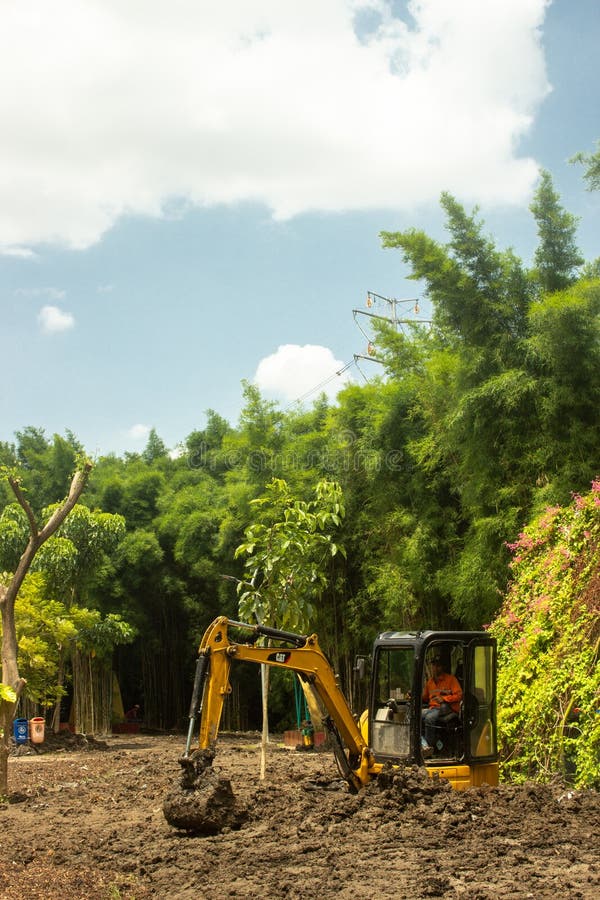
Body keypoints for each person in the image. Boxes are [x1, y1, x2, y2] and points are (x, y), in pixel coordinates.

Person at [421, 656, 462, 757]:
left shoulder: (451, 680)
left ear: (442, 667)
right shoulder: (430, 682)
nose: (435, 668)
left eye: (438, 666)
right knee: (413, 717)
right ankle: (424, 745)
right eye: (434, 665)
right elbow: (424, 698)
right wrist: (412, 695)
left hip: (447, 708)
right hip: (432, 709)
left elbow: (459, 695)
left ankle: (429, 749)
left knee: (429, 718)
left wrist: (444, 699)